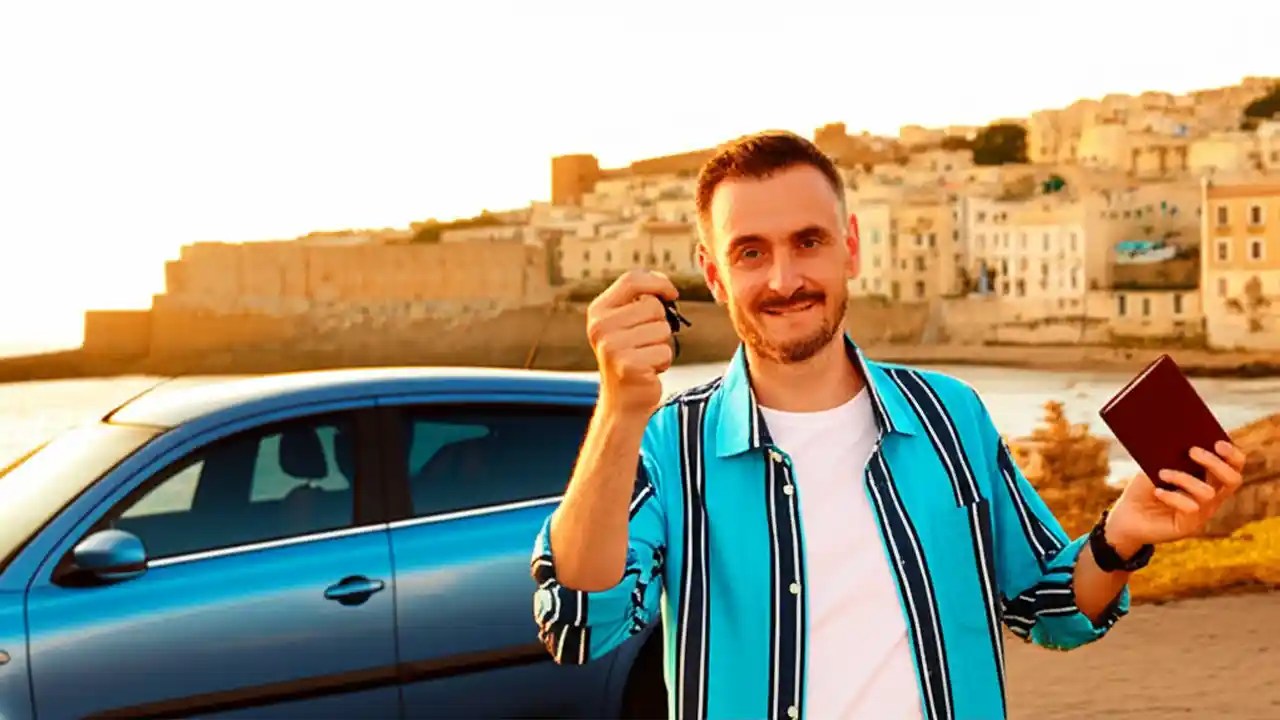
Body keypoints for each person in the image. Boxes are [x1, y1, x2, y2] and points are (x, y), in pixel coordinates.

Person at [530, 130, 1247, 720]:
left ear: (850, 247)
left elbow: (1048, 607)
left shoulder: (951, 416)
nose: (784, 279)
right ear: (713, 275)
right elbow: (578, 623)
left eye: (808, 241)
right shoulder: (670, 444)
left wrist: (1122, 536)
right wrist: (619, 409)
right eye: (751, 252)